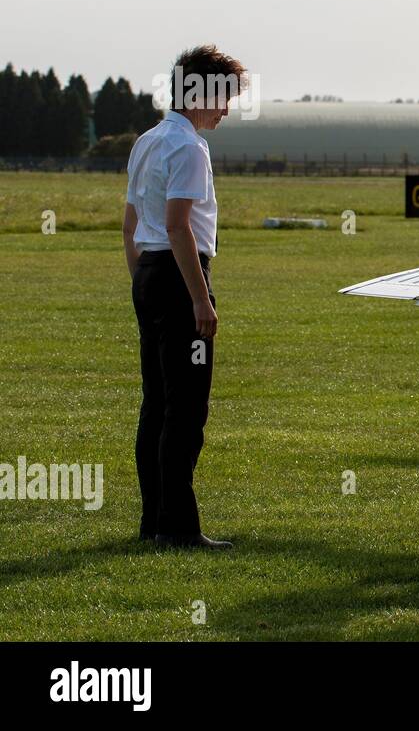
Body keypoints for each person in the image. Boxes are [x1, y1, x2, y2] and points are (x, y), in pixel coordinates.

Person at [122, 44, 245, 550]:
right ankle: (178, 527)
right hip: (178, 278)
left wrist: (141, 285)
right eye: (225, 97)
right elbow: (178, 227)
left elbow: (131, 225)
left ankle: (155, 521)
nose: (227, 108)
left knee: (157, 403)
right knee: (187, 409)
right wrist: (199, 299)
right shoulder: (190, 148)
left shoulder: (148, 140)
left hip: (149, 275)